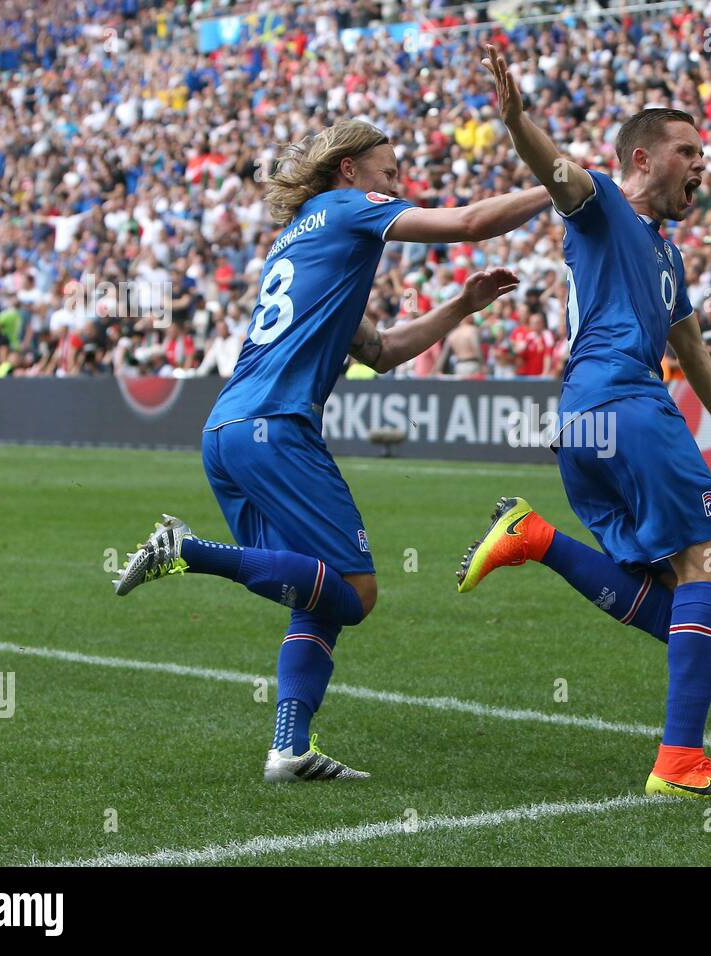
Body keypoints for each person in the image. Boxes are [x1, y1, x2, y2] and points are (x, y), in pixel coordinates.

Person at [110, 119, 552, 782]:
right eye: (389, 171)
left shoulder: (306, 241)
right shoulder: (348, 209)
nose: (397, 184)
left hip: (227, 433)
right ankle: (188, 551)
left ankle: (289, 747)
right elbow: (468, 223)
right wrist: (559, 181)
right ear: (350, 169)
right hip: (276, 429)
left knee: (312, 594)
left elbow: (382, 352)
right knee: (356, 592)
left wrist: (460, 306)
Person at [454, 46, 711, 799]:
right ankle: (681, 763)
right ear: (642, 157)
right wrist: (519, 121)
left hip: (583, 424)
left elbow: (688, 343)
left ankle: (532, 537)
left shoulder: (666, 254)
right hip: (626, 406)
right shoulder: (603, 203)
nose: (702, 164)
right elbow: (556, 170)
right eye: (688, 151)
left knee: (677, 603)